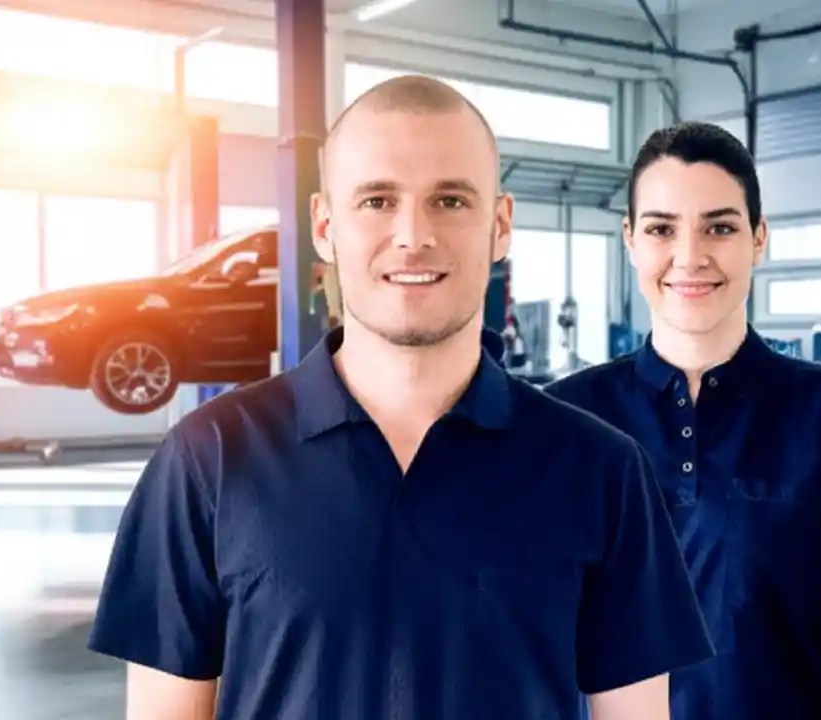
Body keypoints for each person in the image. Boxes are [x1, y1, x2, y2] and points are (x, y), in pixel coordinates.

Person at [88, 75, 714, 720]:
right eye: (378, 201)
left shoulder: (601, 470)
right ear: (325, 226)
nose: (413, 235)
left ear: (500, 226)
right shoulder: (210, 459)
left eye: (449, 201)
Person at [544, 121, 821, 720]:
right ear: (630, 240)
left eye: (720, 227)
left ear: (758, 238)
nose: (690, 256)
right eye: (660, 229)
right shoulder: (564, 420)